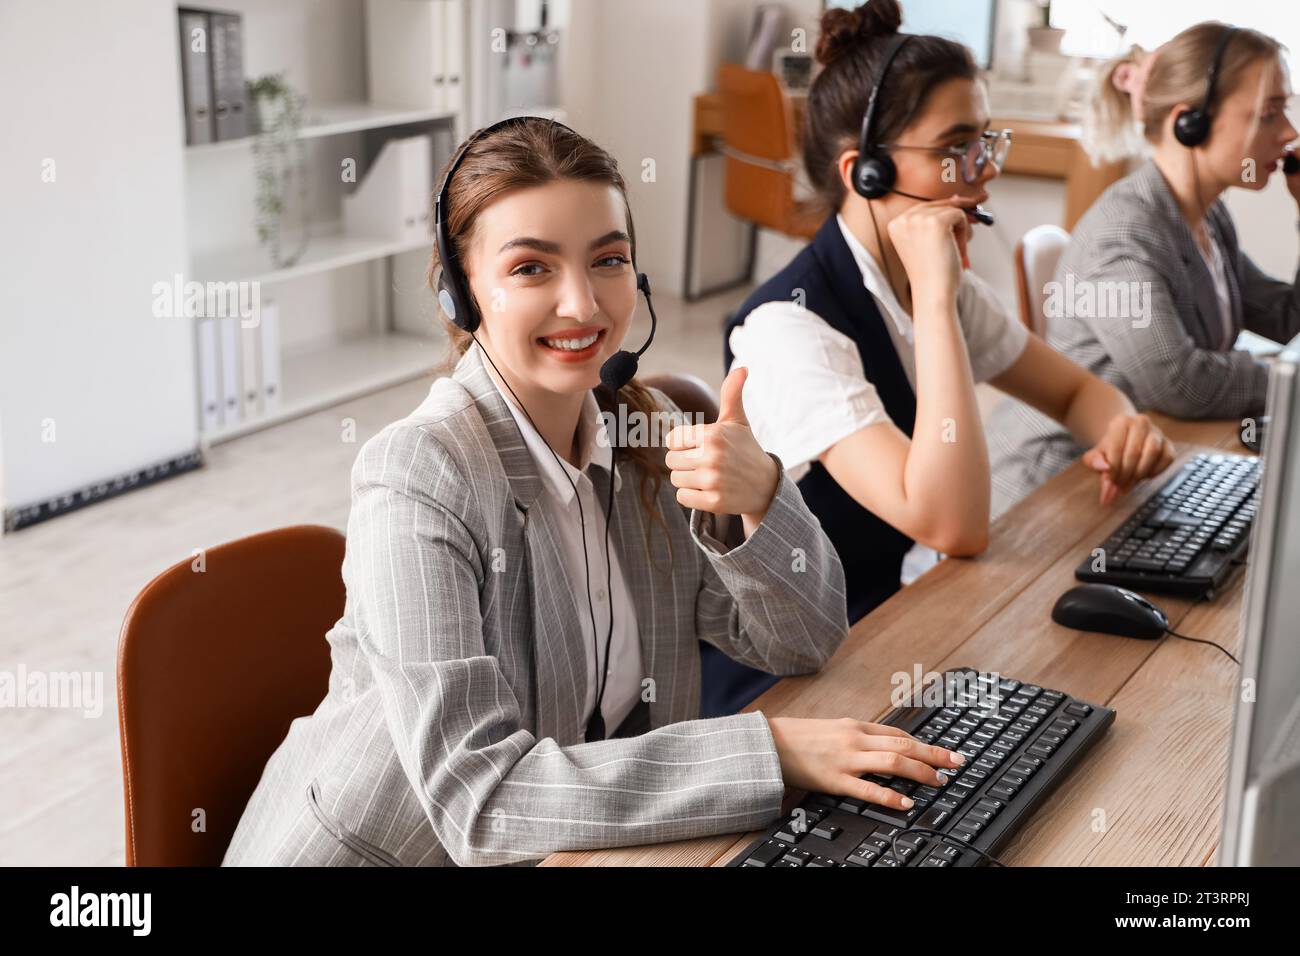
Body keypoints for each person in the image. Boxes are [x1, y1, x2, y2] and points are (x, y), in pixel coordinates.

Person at [223, 117, 965, 867]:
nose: (582, 305)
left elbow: (804, 642)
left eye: (608, 260)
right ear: (461, 294)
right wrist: (764, 750)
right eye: (531, 269)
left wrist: (763, 494)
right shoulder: (420, 474)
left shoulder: (644, 436)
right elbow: (480, 801)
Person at [705, 0, 1175, 717]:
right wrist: (933, 294)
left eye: (988, 142)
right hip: (791, 691)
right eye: (957, 148)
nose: (982, 174)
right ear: (865, 173)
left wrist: (1121, 428)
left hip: (893, 632)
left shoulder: (934, 287)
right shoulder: (787, 331)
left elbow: (1080, 395)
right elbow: (953, 523)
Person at [988, 20, 1300, 510]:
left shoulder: (1207, 217)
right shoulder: (1127, 232)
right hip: (1054, 486)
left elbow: (1288, 319)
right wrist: (1285, 379)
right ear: (1189, 122)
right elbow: (1180, 383)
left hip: (1147, 473)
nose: (1289, 133)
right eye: (1269, 114)